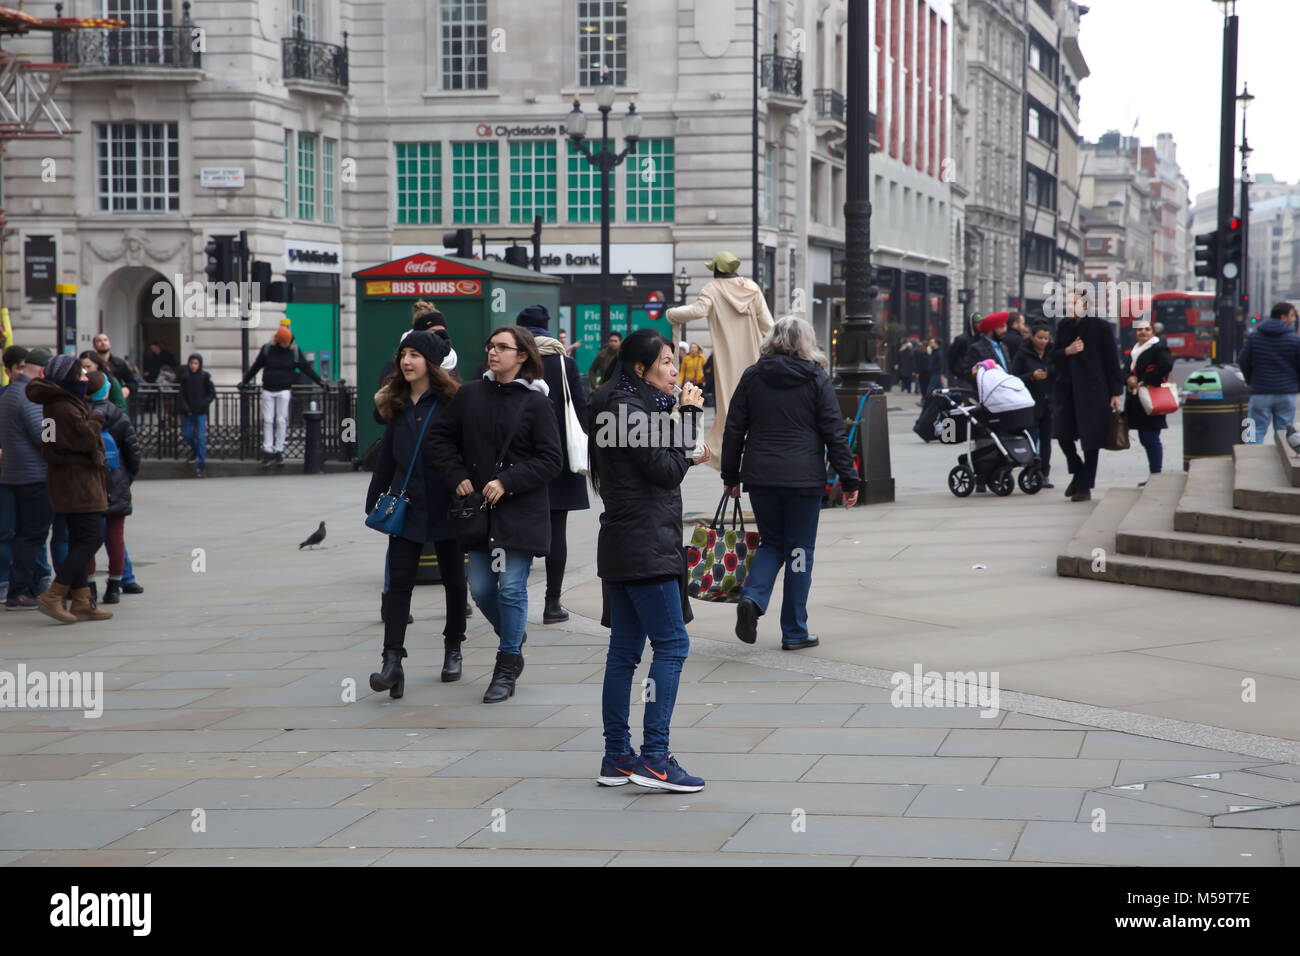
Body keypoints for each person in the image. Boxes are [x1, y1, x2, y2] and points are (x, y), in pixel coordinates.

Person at [587, 328, 711, 792]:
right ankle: (655, 758)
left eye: (674, 363)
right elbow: (663, 470)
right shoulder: (625, 408)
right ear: (640, 368)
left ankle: (617, 755)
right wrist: (690, 418)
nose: (675, 372)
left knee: (623, 653)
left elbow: (653, 457)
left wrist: (677, 419)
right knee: (672, 646)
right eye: (665, 363)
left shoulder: (615, 404)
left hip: (625, 539)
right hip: (645, 543)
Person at [428, 325, 562, 703]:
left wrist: (507, 481)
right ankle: (513, 639)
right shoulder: (469, 394)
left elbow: (551, 459)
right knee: (482, 588)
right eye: (490, 346)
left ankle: (505, 666)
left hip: (519, 512)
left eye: (502, 347)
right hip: (478, 515)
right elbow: (440, 439)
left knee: (512, 588)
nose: (493, 352)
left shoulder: (536, 402)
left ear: (522, 356)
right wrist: (457, 477)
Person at [722, 317, 859, 651]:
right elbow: (833, 431)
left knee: (771, 543)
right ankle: (795, 630)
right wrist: (849, 478)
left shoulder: (753, 376)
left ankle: (752, 599)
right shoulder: (815, 377)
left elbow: (734, 429)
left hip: (762, 478)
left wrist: (731, 477)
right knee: (799, 550)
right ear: (806, 342)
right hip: (803, 480)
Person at [365, 331, 467, 696]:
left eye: (414, 355)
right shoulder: (397, 403)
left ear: (431, 363)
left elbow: (465, 453)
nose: (406, 361)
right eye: (403, 354)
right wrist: (375, 500)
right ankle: (392, 661)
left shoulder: (453, 402)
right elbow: (388, 457)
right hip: (407, 505)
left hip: (447, 504)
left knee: (455, 580)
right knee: (399, 584)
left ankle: (453, 645)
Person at [515, 304, 590, 624]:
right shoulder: (564, 362)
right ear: (547, 326)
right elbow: (582, 409)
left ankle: (513, 599)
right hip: (558, 455)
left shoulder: (512, 357)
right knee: (557, 530)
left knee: (515, 527)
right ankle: (551, 603)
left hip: (519, 457)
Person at [666, 252, 775, 468]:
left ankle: (730, 455)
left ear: (716, 269)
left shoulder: (713, 288)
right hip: (753, 355)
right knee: (755, 402)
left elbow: (698, 310)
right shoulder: (751, 288)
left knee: (729, 404)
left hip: (727, 358)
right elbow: (769, 325)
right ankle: (754, 448)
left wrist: (673, 313)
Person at [26, 355, 111, 623]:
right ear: (68, 378)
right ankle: (54, 594)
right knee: (92, 538)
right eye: (81, 374)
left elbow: (50, 445)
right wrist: (96, 420)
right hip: (78, 484)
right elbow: (84, 439)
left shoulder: (55, 404)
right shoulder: (63, 406)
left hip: (68, 481)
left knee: (78, 538)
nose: (85, 379)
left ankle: (82, 599)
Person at [1052, 292, 1123, 502]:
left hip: (1094, 391)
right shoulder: (1064, 326)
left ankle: (1085, 486)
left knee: (1091, 440)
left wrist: (1115, 392)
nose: (1069, 306)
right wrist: (1068, 351)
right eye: (1067, 303)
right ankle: (1079, 472)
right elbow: (1054, 356)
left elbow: (1112, 360)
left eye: (1073, 302)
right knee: (1063, 435)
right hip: (1067, 389)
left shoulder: (1100, 327)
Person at [0, 346, 54, 609]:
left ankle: (22, 588)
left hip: (16, 475)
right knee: (33, 535)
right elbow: (45, 437)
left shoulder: (11, 392)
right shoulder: (30, 395)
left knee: (23, 534)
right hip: (34, 476)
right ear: (43, 371)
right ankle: (20, 590)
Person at [86, 370, 141, 604]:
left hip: (89, 484)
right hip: (115, 482)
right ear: (107, 390)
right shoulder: (119, 415)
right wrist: (127, 478)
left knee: (87, 538)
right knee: (115, 536)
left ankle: (89, 588)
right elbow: (133, 452)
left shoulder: (80, 413)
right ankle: (114, 587)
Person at [241, 325, 324, 466]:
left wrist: (320, 382)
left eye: (289, 341)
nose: (287, 344)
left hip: (284, 389)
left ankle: (278, 450)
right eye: (285, 342)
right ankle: (268, 450)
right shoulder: (268, 349)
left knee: (281, 420)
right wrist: (245, 381)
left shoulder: (294, 351)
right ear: (278, 340)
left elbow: (306, 368)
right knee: (267, 420)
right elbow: (256, 366)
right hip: (268, 389)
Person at [1238, 301, 1300, 444]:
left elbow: (1242, 360)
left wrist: (1250, 380)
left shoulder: (1255, 337)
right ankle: (1283, 461)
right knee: (1284, 432)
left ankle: (1250, 459)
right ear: (1283, 317)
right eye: (1292, 316)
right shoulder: (1294, 340)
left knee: (1254, 429)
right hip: (1286, 392)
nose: (1294, 319)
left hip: (1260, 391)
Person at [1122, 316, 1175, 482]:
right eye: (1140, 329)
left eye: (1147, 329)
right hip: (1138, 401)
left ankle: (1156, 476)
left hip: (1152, 398)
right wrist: (1128, 379)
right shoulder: (1134, 350)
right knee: (1146, 438)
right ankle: (1154, 475)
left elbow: (1166, 365)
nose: (1143, 332)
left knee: (1150, 438)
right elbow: (1126, 370)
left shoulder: (1158, 348)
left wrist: (1146, 379)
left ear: (1153, 331)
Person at [1011, 320, 1057, 488]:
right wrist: (1031, 376)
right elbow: (1014, 376)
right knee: (1032, 439)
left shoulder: (1052, 352)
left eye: (1046, 338)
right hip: (1030, 403)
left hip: (1049, 403)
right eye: (1039, 338)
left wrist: (1049, 373)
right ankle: (1032, 472)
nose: (1043, 341)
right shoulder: (1023, 353)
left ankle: (1044, 474)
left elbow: (1058, 370)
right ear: (1031, 337)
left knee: (1046, 440)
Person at [178, 353, 215, 478]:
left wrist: (203, 404)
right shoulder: (185, 378)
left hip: (200, 412)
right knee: (187, 434)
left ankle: (201, 464)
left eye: (196, 363)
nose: (193, 366)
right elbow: (181, 395)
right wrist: (186, 408)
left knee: (201, 437)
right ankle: (196, 451)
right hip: (188, 412)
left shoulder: (204, 377)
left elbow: (211, 393)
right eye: (191, 363)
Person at [964, 312, 1013, 383]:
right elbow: (970, 373)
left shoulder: (1003, 347)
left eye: (1005, 326)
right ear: (990, 330)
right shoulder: (977, 348)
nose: (1005, 330)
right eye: (1001, 327)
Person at [92, 334, 137, 399]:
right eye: (99, 341)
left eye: (105, 340)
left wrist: (127, 389)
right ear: (94, 346)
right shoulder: (91, 363)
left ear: (110, 343)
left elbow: (132, 382)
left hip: (116, 401)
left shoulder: (120, 363)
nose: (103, 343)